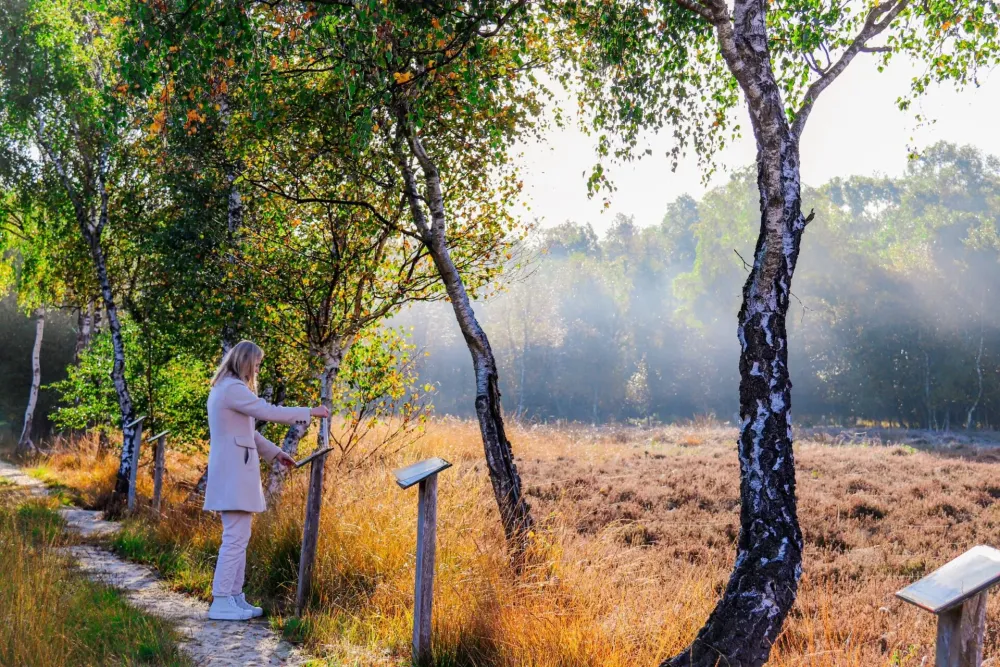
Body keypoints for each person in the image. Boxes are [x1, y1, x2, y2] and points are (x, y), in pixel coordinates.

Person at [203, 340, 329, 621]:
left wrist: (275, 453)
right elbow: (267, 411)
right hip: (233, 473)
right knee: (235, 538)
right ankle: (221, 600)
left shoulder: (227, 388)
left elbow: (248, 433)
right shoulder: (232, 388)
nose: (258, 369)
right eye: (257, 364)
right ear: (246, 362)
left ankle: (234, 596)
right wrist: (309, 412)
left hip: (234, 472)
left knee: (239, 536)